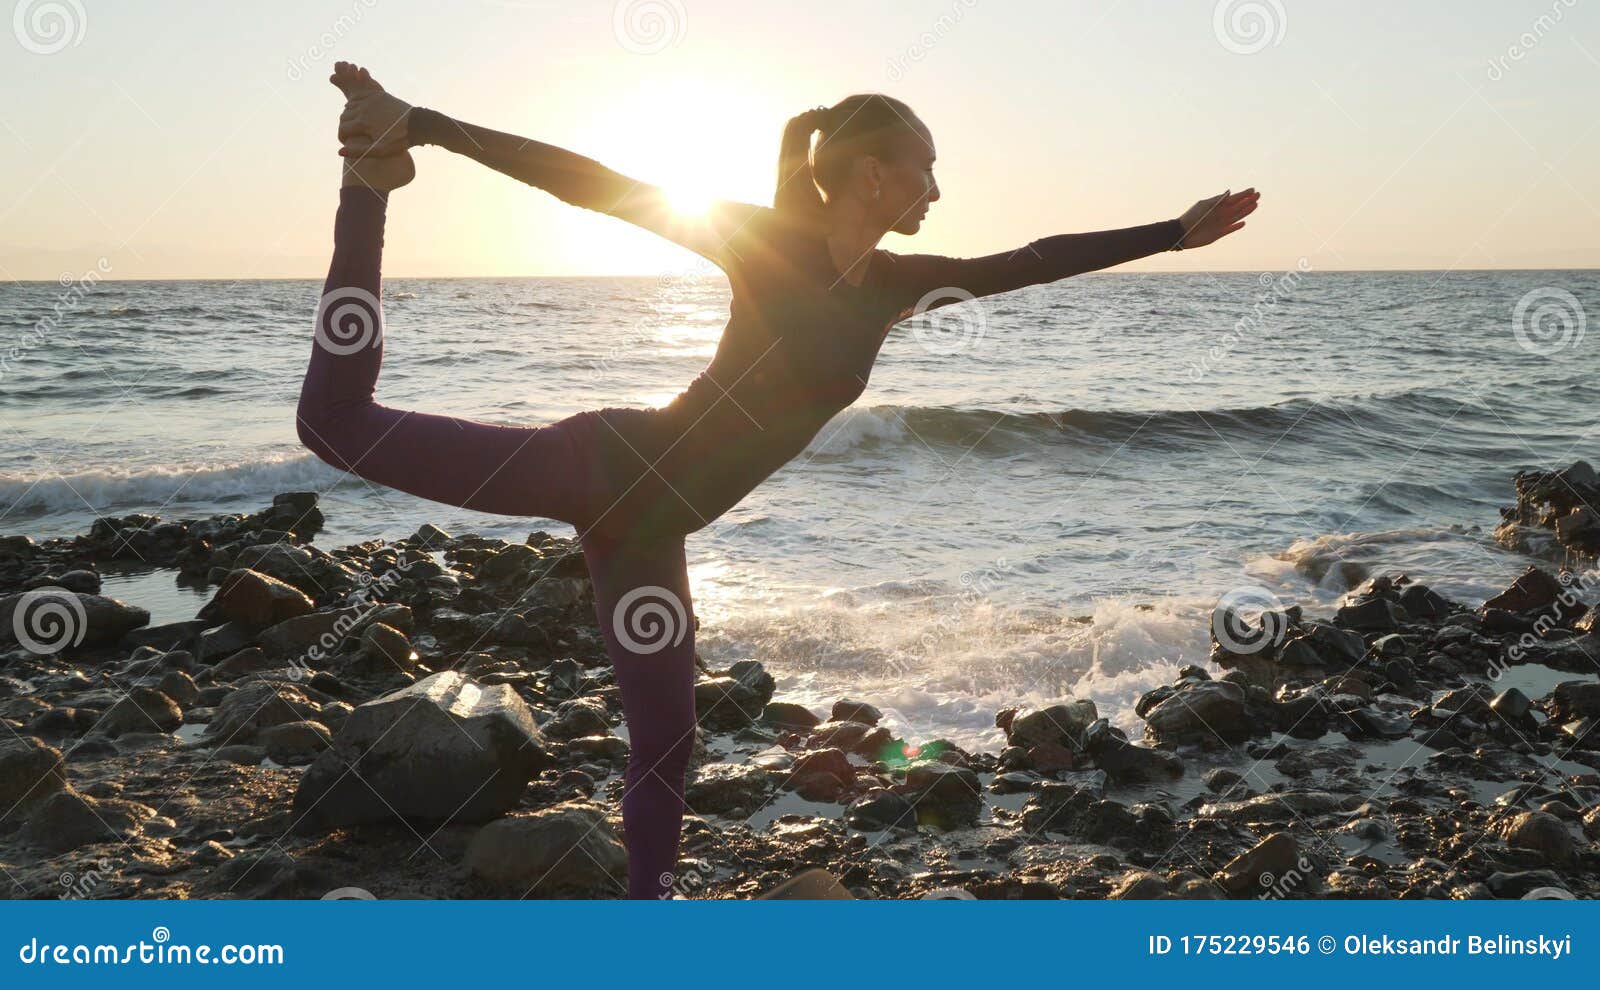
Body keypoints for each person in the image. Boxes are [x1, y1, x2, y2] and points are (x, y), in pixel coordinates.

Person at [298, 61, 1260, 899]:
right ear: (872, 172)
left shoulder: (892, 288)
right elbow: (592, 183)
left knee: (669, 744)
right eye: (925, 168)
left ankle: (647, 925)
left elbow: (1033, 260)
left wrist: (1170, 233)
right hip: (597, 468)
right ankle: (371, 183)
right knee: (332, 426)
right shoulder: (765, 243)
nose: (934, 190)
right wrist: (420, 125)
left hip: (646, 532)